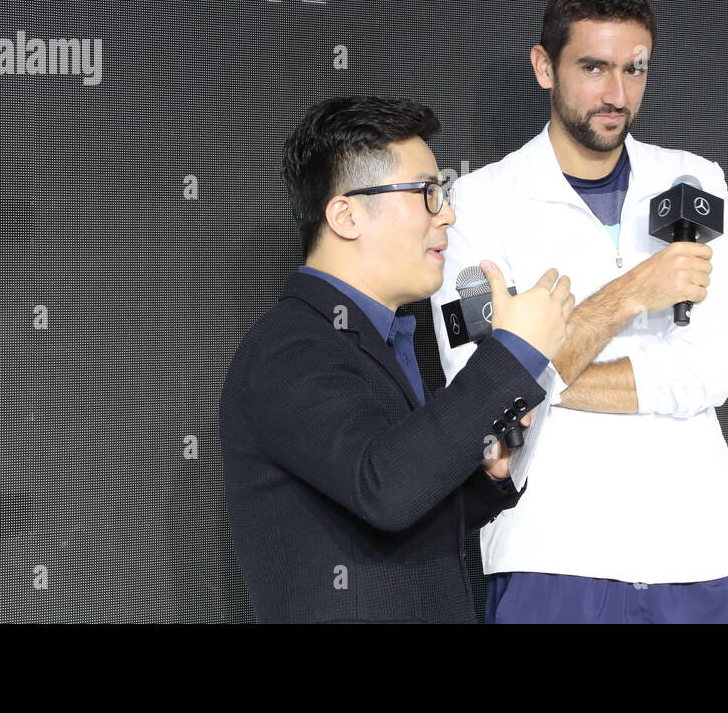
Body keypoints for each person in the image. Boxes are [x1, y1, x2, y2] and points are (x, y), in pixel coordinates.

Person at [431, 0, 728, 623]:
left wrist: (539, 372)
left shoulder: (696, 180)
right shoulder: (480, 203)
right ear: (545, 67)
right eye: (593, 68)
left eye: (634, 69)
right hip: (554, 556)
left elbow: (710, 370)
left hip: (699, 552)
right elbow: (476, 388)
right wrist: (631, 295)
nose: (616, 95)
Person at [221, 95, 574, 622]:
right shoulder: (290, 347)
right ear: (346, 214)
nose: (448, 213)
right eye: (427, 192)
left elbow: (407, 509)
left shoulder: (373, 339)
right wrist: (514, 352)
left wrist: (490, 475)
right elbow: (385, 489)